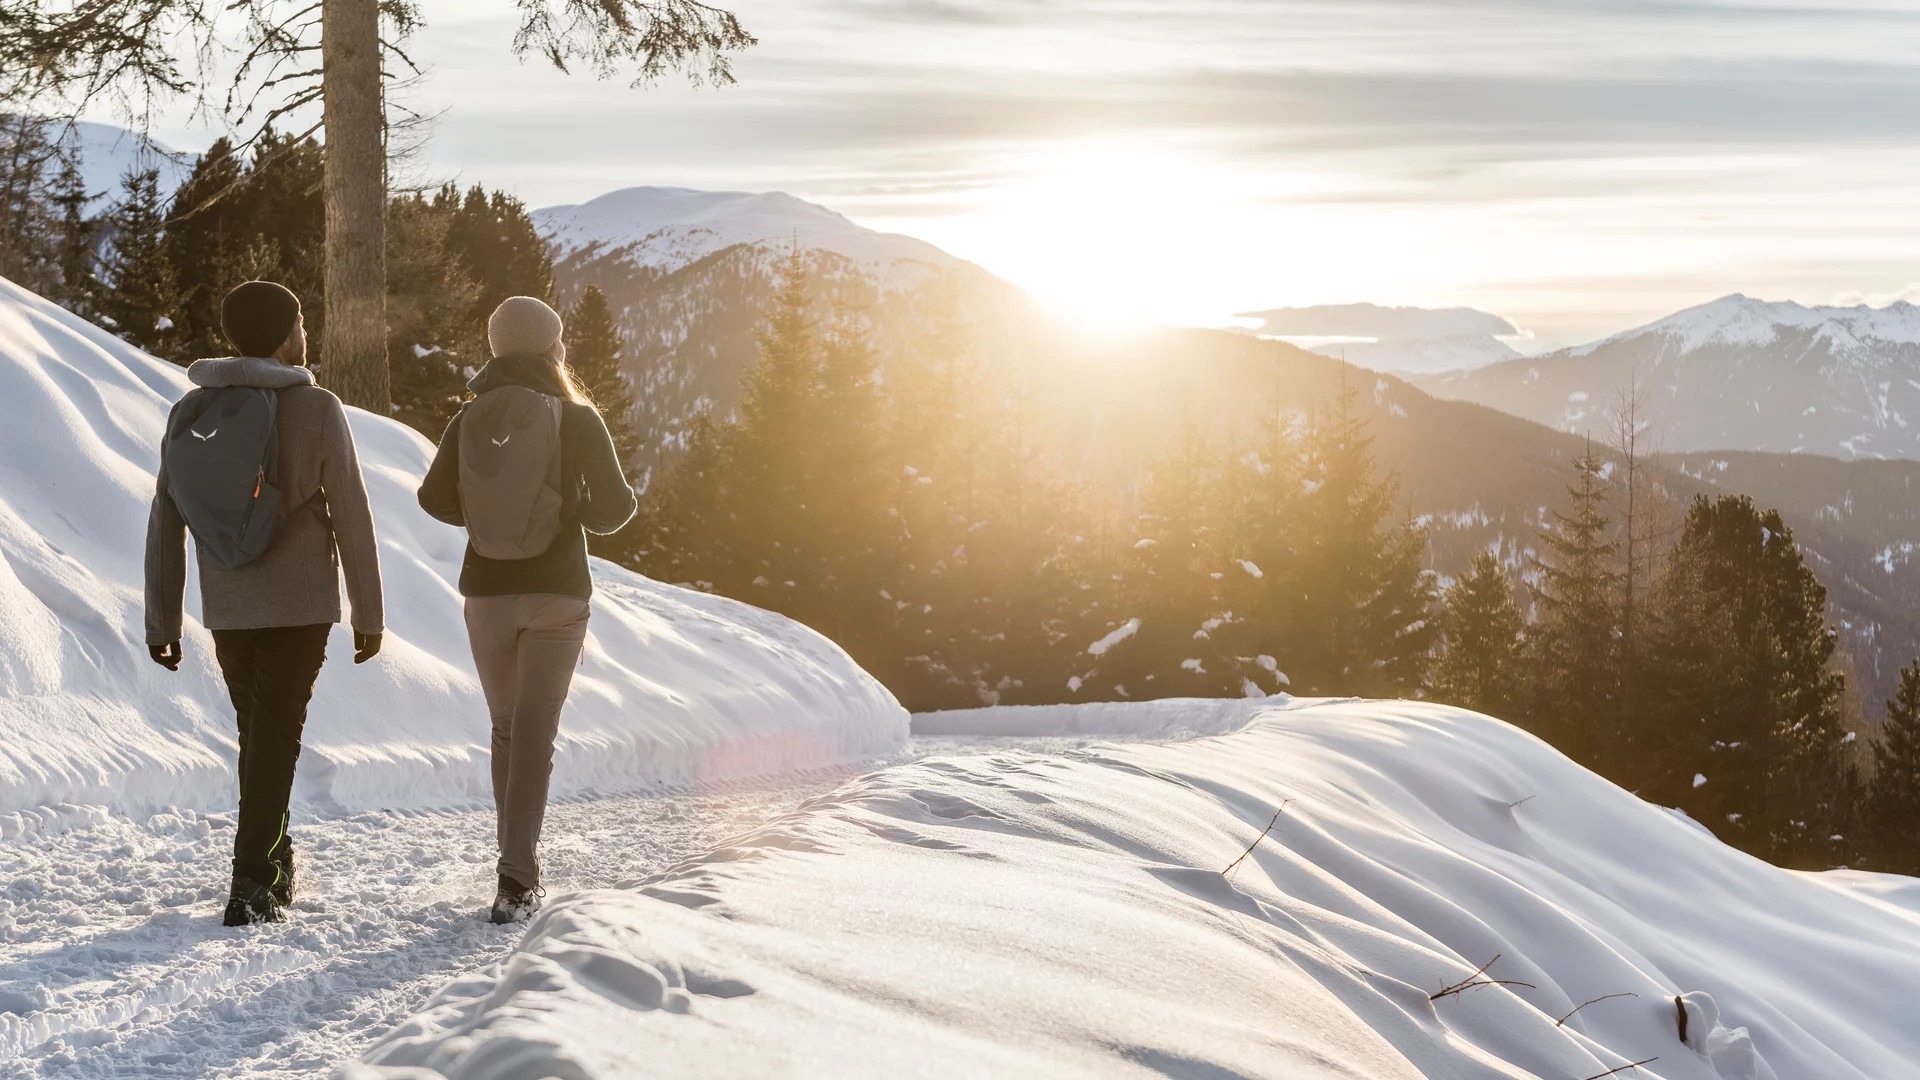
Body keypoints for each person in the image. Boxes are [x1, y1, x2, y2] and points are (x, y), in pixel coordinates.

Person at [144, 280, 385, 927]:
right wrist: (370, 613)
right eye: (302, 319)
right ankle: (252, 877)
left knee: (262, 735)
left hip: (227, 606)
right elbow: (354, 516)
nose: (305, 330)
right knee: (274, 737)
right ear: (287, 333)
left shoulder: (192, 412)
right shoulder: (318, 408)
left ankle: (275, 864)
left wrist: (162, 619)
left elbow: (166, 520)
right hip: (300, 604)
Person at [417, 295, 637, 924]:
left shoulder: (467, 419)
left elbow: (434, 499)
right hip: (558, 593)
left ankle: (512, 866)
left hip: (486, 594)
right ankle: (516, 879)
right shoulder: (577, 418)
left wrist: (485, 517)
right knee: (535, 733)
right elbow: (618, 508)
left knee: (507, 728)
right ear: (551, 347)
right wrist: (570, 516)